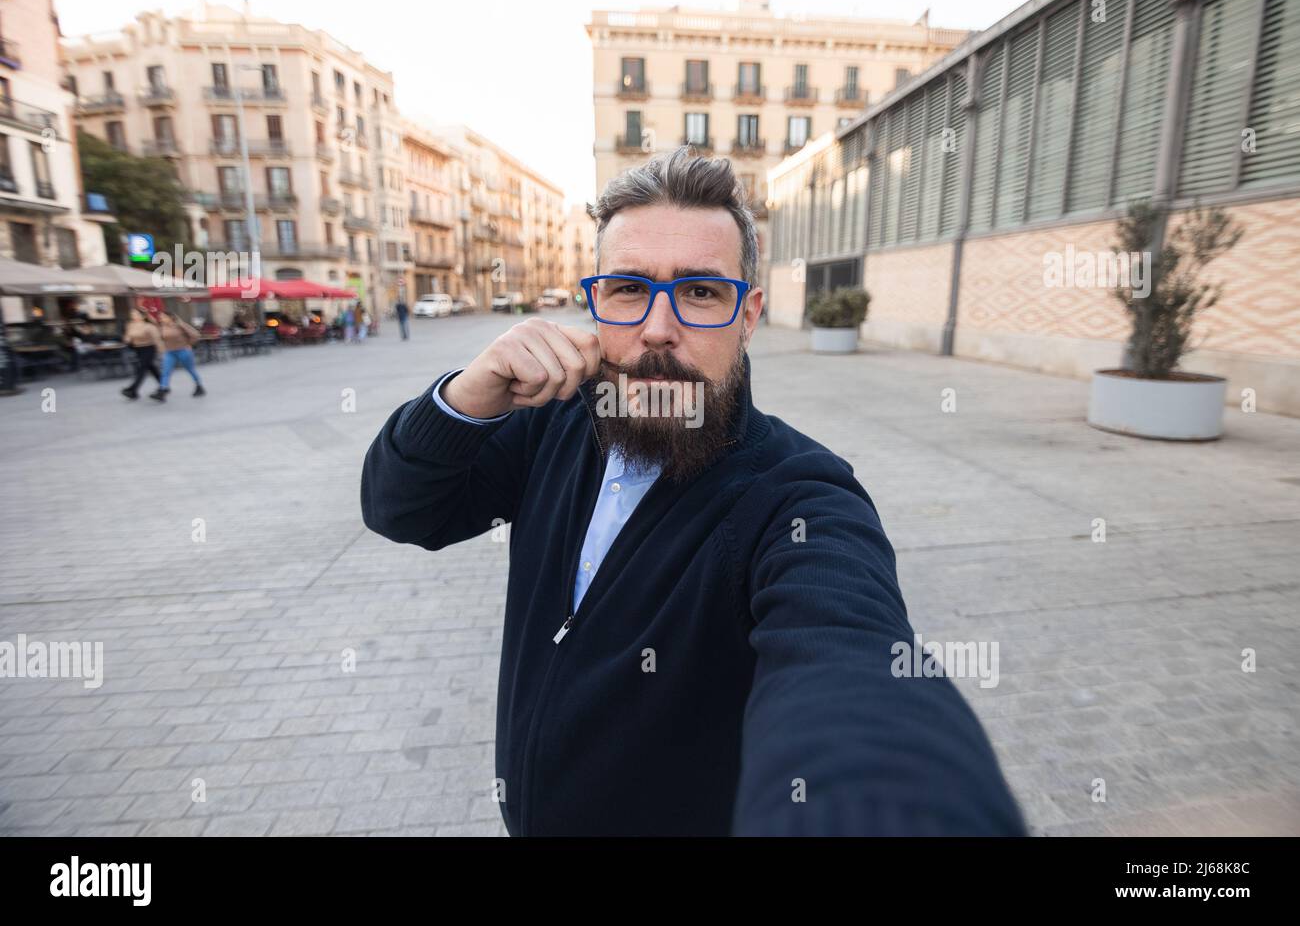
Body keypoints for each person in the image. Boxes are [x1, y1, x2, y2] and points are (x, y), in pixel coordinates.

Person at [360, 147, 1025, 837]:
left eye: (701, 293)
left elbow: (848, 660)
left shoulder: (798, 498)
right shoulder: (552, 423)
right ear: (595, 302)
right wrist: (469, 396)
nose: (656, 329)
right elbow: (402, 508)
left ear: (749, 315)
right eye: (629, 290)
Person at [150, 311, 205, 401]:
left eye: (163, 317)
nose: (161, 319)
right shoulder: (162, 327)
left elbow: (195, 335)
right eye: (160, 317)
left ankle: (199, 386)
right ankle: (162, 391)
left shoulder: (180, 325)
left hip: (183, 350)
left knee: (190, 369)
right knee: (165, 371)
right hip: (169, 352)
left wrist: (189, 344)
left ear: (170, 317)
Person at [120, 309, 162, 400]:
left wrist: (162, 351)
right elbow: (127, 337)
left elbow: (157, 339)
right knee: (151, 368)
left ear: (143, 316)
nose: (133, 316)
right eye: (132, 314)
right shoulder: (130, 325)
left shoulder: (149, 326)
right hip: (137, 349)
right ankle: (163, 385)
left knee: (142, 368)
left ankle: (132, 390)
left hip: (149, 348)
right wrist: (126, 340)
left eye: (136, 314)